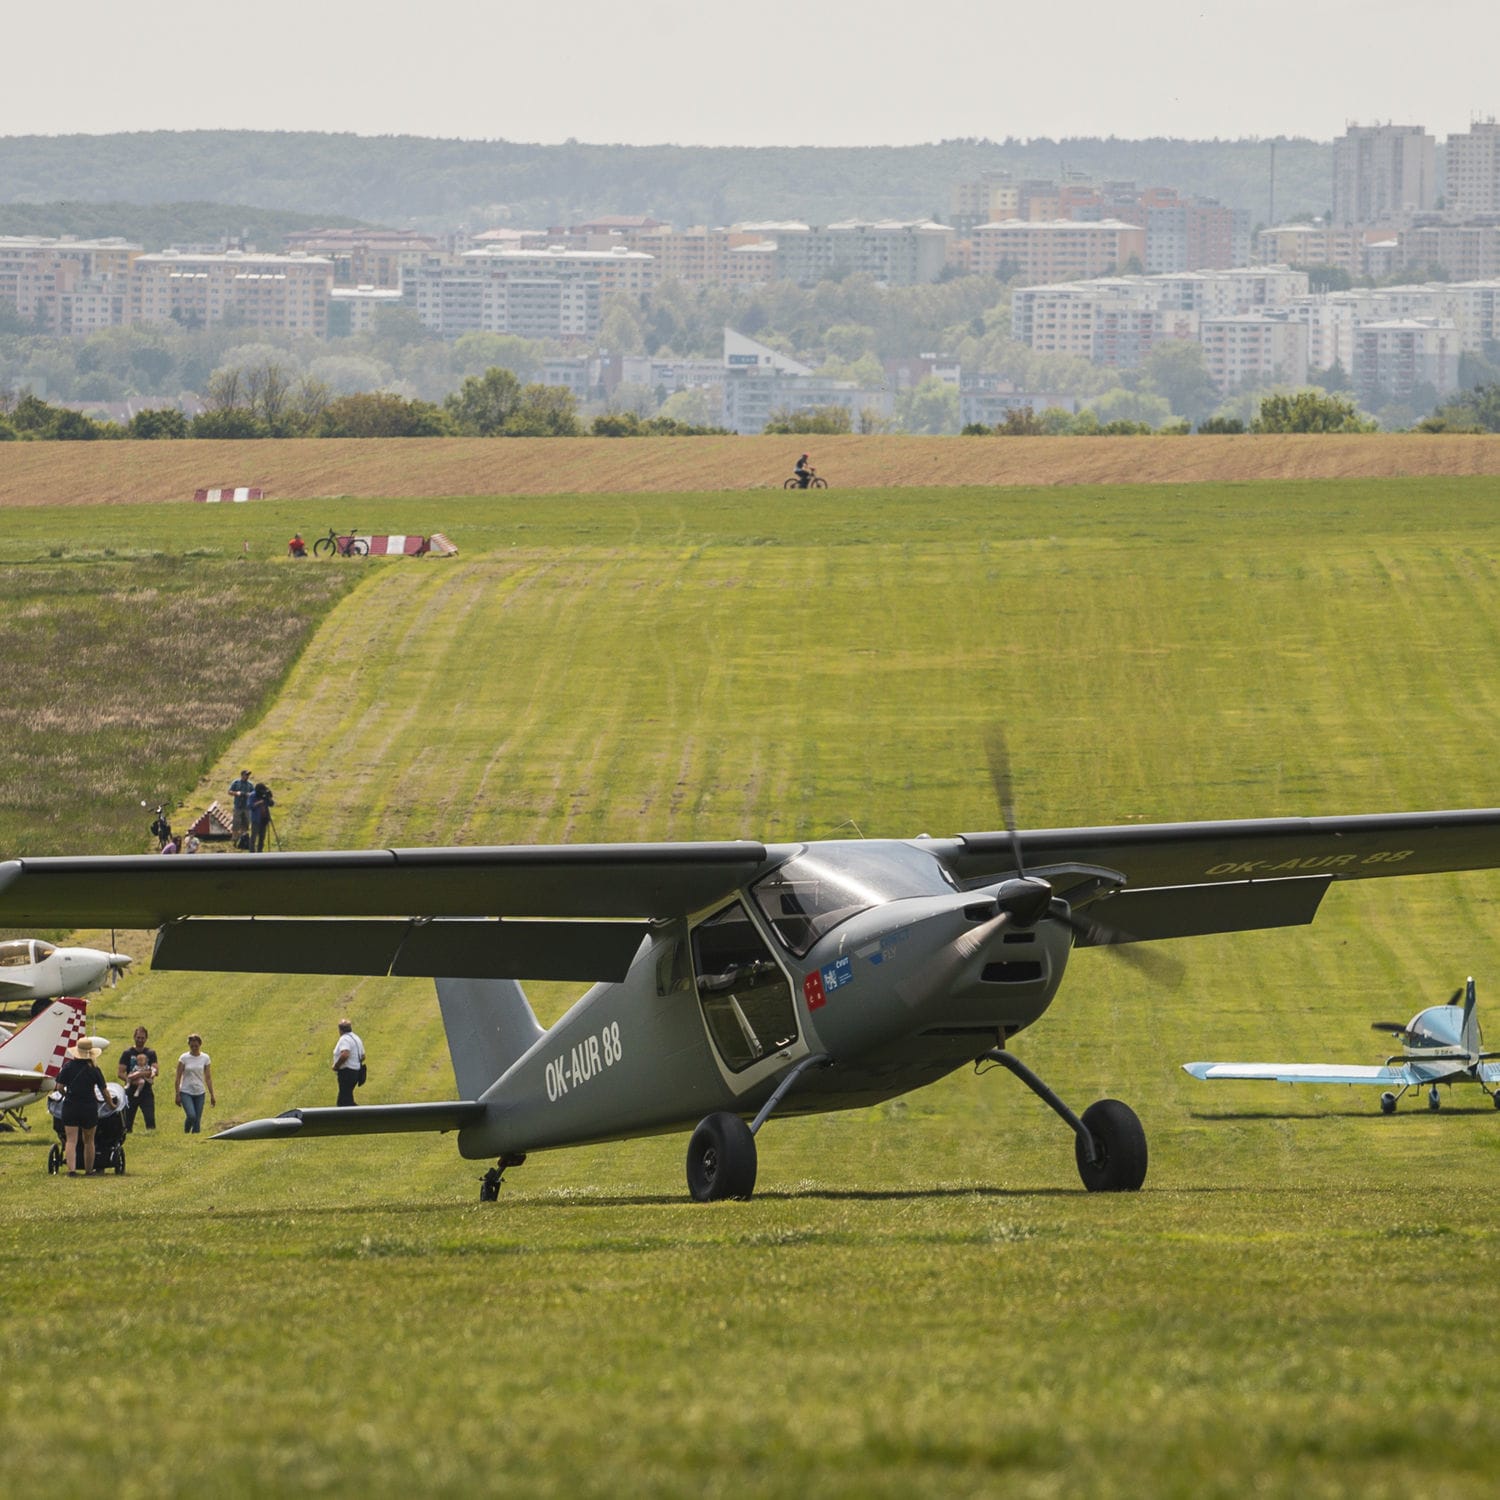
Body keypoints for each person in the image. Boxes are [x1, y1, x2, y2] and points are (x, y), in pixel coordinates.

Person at [57, 1037, 109, 1175]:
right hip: (88, 1106)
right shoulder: (94, 1069)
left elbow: (59, 1087)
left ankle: (72, 1170)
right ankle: (88, 1170)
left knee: (71, 1140)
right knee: (89, 1140)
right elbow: (104, 1091)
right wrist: (111, 1104)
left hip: (71, 1106)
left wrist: (66, 1094)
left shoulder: (68, 1067)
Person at [118, 1026, 158, 1134]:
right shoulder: (127, 1053)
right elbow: (120, 1073)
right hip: (131, 1091)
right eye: (138, 1037)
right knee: (128, 1122)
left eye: (142, 1038)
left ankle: (151, 1137)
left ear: (146, 1038)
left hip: (146, 1091)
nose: (140, 1040)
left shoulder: (151, 1053)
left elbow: (155, 1071)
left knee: (150, 1119)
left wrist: (140, 1074)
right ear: (134, 1037)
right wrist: (130, 1080)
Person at [174, 1033, 214, 1133]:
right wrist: (177, 1094)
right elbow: (178, 1077)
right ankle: (186, 1132)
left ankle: (194, 1139)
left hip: (200, 1092)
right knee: (191, 1115)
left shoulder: (205, 1058)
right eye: (192, 1046)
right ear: (189, 1045)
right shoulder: (184, 1058)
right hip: (186, 1091)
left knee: (197, 1121)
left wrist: (212, 1094)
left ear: (200, 1045)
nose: (194, 1048)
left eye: (196, 1046)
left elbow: (208, 1077)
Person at [332, 1019, 365, 1107]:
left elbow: (345, 1054)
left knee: (343, 1102)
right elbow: (362, 1056)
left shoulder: (344, 1039)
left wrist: (336, 1066)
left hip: (347, 1073)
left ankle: (364, 1115)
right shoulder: (356, 1038)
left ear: (340, 1030)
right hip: (356, 1072)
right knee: (346, 1099)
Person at [229, 769, 254, 847]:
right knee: (236, 823)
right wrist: (236, 793)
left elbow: (253, 793)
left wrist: (248, 795)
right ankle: (235, 839)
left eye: (248, 775)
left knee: (246, 823)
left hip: (246, 807)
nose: (247, 776)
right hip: (238, 807)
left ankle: (243, 838)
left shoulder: (250, 784)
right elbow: (229, 791)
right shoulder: (236, 783)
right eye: (246, 775)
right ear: (242, 775)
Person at [249, 781, 275, 853]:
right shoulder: (252, 795)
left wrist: (269, 798)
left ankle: (260, 851)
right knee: (253, 837)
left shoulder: (264, 795)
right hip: (256, 819)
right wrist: (259, 802)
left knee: (262, 837)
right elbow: (250, 806)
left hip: (264, 819)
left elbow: (272, 804)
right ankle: (252, 853)